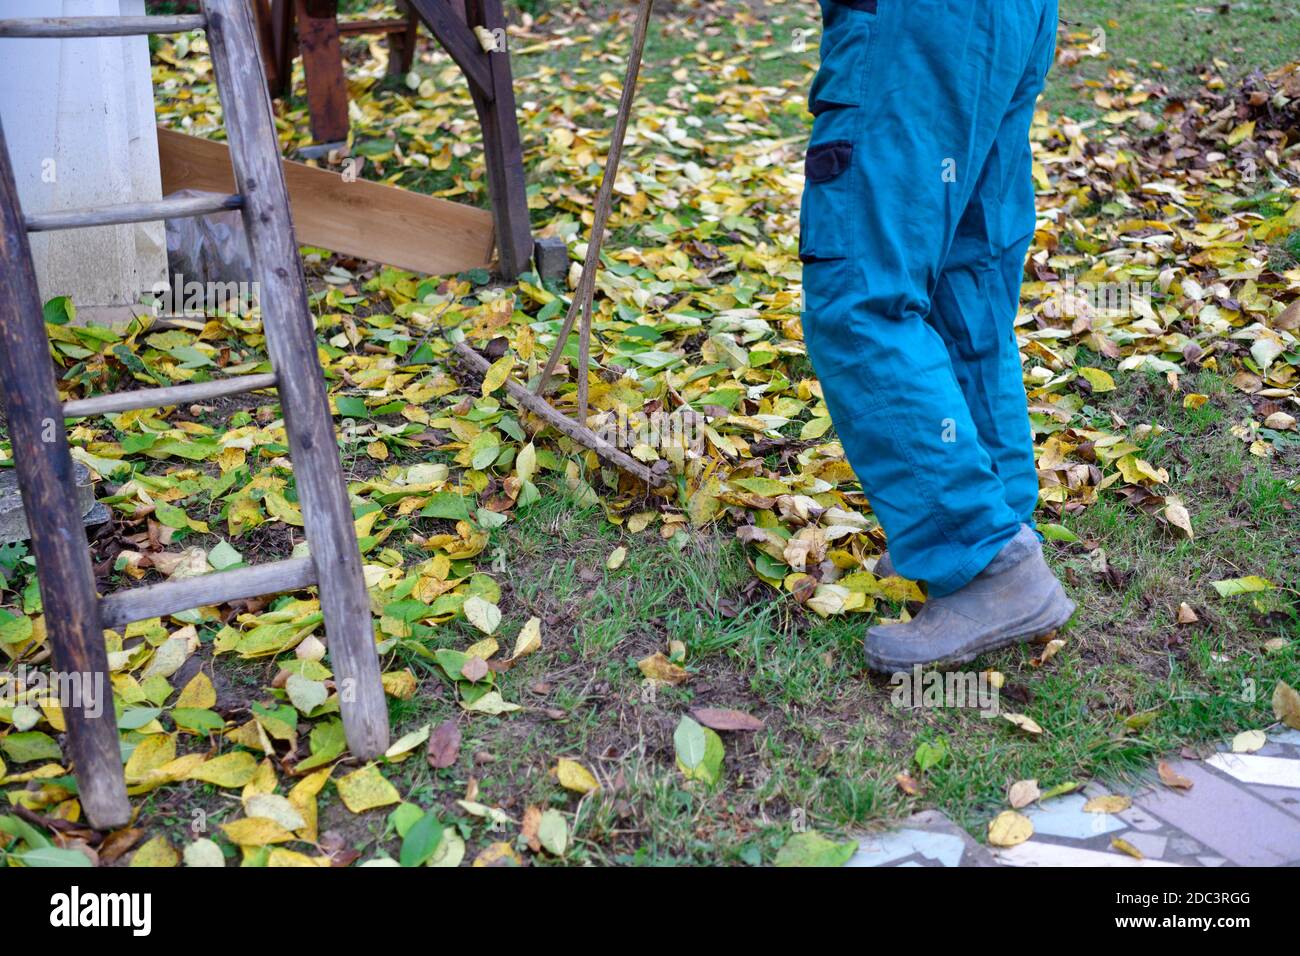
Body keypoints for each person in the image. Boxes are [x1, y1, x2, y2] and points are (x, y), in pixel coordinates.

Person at [798, 0, 1075, 672]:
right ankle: (997, 528)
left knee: (862, 296)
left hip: (917, 27)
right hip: (1004, 20)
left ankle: (982, 558)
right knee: (962, 294)